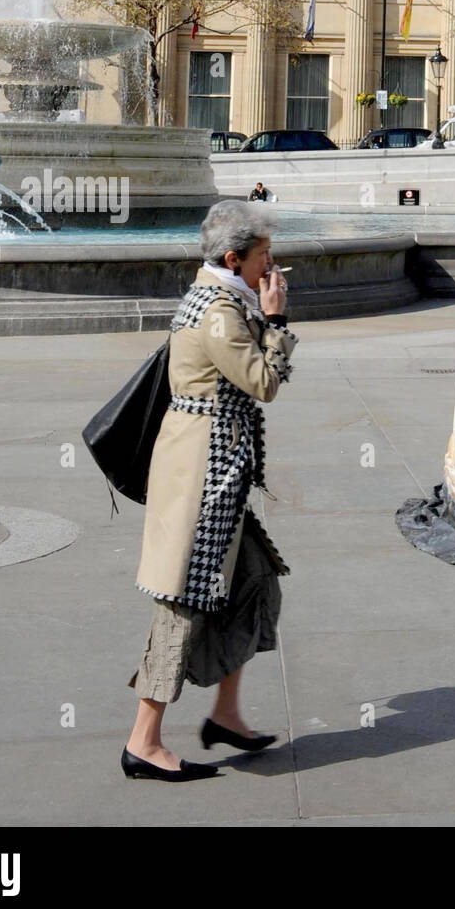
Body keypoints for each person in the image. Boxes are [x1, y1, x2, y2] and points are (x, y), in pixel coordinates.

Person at [123, 200, 297, 782]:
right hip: (203, 480)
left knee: (255, 583)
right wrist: (275, 322)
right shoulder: (220, 311)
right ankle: (143, 742)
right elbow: (264, 383)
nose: (273, 266)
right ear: (233, 259)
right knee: (181, 604)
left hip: (220, 474)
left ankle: (225, 714)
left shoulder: (221, 297)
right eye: (264, 256)